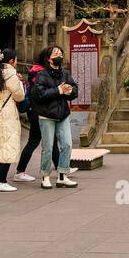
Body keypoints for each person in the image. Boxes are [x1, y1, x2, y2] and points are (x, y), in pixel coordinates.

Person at [29, 45, 79, 189]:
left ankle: (63, 175)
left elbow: (75, 88)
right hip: (46, 115)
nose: (59, 56)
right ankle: (45, 176)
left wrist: (69, 90)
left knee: (67, 145)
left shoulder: (65, 74)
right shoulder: (42, 75)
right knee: (48, 147)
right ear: (48, 59)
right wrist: (58, 90)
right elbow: (40, 94)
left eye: (61, 53)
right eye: (56, 54)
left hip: (62, 113)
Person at [12, 54, 60, 180]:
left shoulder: (36, 71)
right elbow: (40, 94)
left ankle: (61, 166)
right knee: (34, 141)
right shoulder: (40, 73)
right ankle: (19, 171)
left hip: (37, 110)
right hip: (38, 111)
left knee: (52, 140)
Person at [0, 46, 25, 191]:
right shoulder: (12, 75)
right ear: (12, 61)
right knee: (8, 145)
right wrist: (20, 82)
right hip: (7, 112)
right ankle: (1, 181)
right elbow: (20, 96)